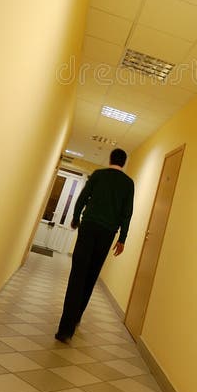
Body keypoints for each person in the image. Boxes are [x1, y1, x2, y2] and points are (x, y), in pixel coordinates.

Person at [55, 147, 134, 343]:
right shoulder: (128, 184)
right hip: (107, 233)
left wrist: (75, 217)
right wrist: (122, 238)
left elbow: (82, 198)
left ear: (110, 159)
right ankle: (77, 317)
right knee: (91, 276)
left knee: (77, 275)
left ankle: (65, 329)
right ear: (123, 163)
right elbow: (127, 212)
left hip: (89, 226)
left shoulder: (98, 175)